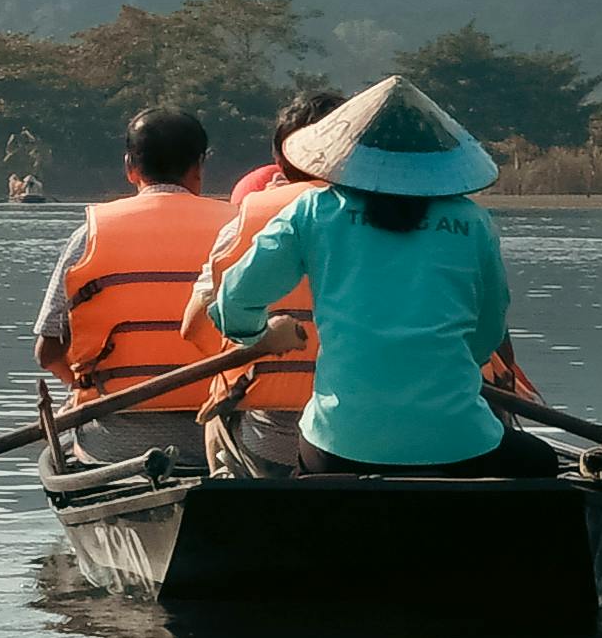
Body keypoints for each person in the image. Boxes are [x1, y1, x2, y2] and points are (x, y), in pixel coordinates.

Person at [201, 76, 548, 473]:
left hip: (338, 444)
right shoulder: (472, 221)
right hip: (460, 441)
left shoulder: (313, 210)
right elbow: (487, 333)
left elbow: (232, 306)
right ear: (433, 158)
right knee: (542, 462)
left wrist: (264, 333)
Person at [34, 108, 233, 459]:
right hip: (218, 438)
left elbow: (48, 352)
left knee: (59, 451)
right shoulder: (239, 230)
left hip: (111, 441)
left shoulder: (89, 235)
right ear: (200, 165)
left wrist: (81, 386)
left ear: (130, 167)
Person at [187, 85, 342, 467]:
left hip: (271, 439)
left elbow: (194, 328)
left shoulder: (250, 220)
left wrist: (259, 342)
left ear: (280, 159)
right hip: (383, 429)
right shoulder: (412, 219)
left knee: (219, 398)